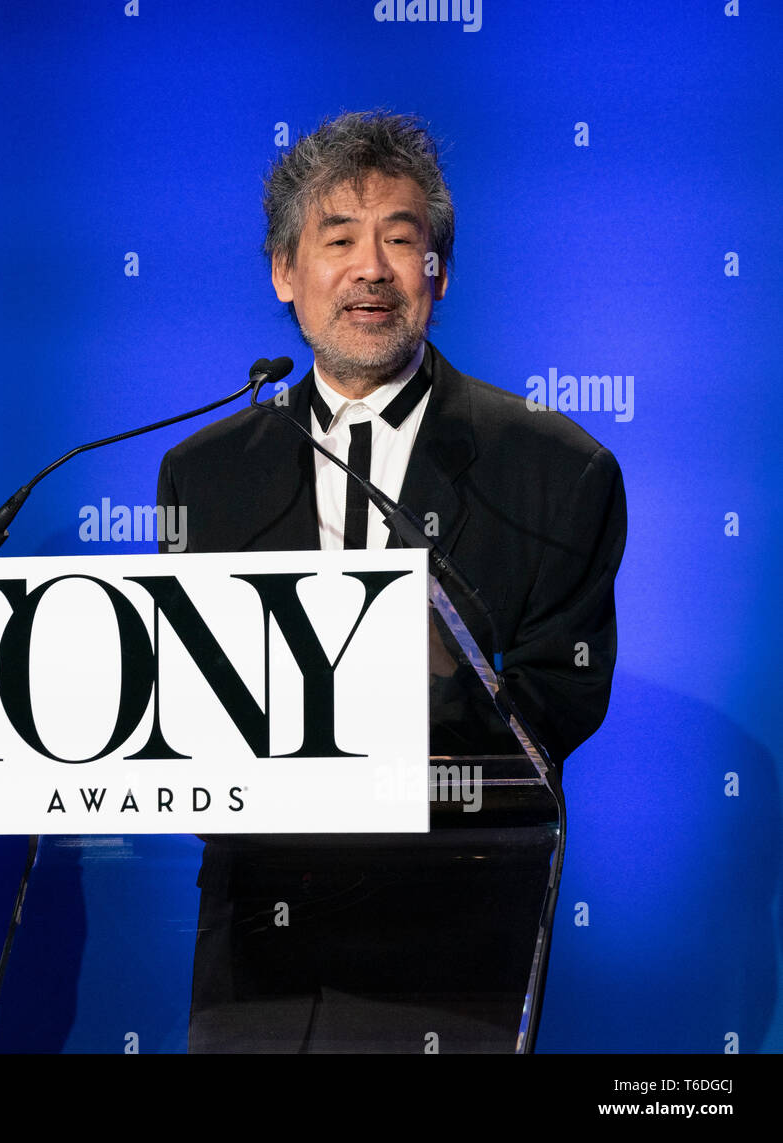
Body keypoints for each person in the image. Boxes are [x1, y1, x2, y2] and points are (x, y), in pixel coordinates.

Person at [157, 111, 626, 1051]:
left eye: (401, 240)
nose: (371, 268)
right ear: (285, 273)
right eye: (338, 239)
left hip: (454, 924)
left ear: (437, 275)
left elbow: (565, 693)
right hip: (259, 932)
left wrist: (450, 673)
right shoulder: (201, 473)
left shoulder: (553, 464)